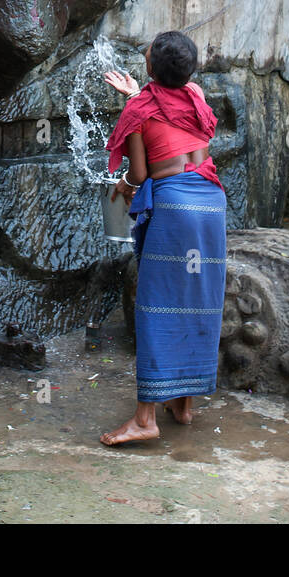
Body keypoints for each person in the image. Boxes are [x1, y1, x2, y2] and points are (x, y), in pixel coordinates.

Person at [99, 30, 227, 447]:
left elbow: (140, 175)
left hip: (174, 206)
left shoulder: (139, 109)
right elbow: (168, 104)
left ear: (151, 67)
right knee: (197, 301)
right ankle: (184, 405)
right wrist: (140, 95)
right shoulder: (196, 93)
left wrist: (121, 183)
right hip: (210, 202)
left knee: (155, 306)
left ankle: (144, 419)